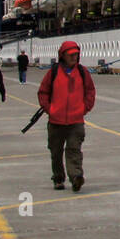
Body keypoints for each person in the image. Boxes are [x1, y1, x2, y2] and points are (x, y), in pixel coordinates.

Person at [37, 40, 95, 192]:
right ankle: (58, 178)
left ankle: (76, 177)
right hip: (56, 120)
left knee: (74, 149)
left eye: (76, 55)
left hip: (76, 120)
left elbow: (90, 91)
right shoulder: (53, 73)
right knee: (56, 152)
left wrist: (85, 108)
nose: (74, 58)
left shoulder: (82, 72)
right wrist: (50, 109)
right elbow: (43, 92)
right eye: (71, 55)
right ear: (63, 56)